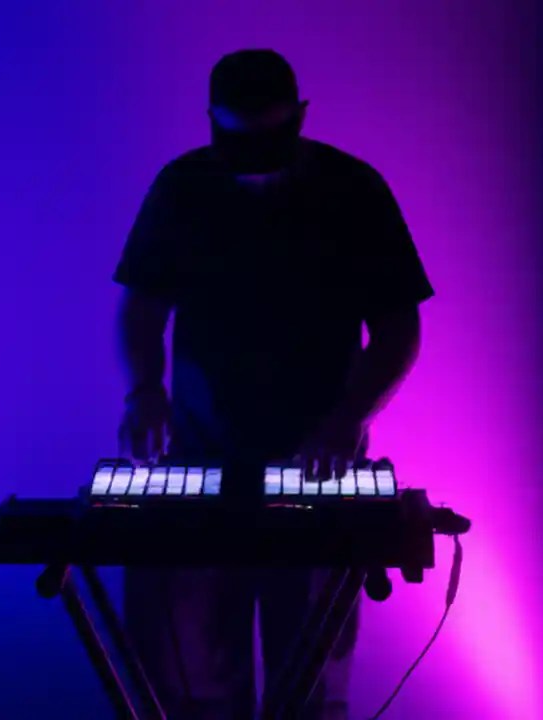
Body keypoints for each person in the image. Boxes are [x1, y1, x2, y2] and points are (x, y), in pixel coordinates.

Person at [115, 50, 432, 719]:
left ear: (302, 117)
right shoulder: (183, 188)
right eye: (238, 141)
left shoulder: (353, 190)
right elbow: (142, 306)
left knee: (309, 689)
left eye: (272, 138)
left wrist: (348, 416)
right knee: (195, 683)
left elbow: (399, 327)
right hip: (202, 457)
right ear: (210, 124)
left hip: (316, 467)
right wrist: (144, 389)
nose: (255, 158)